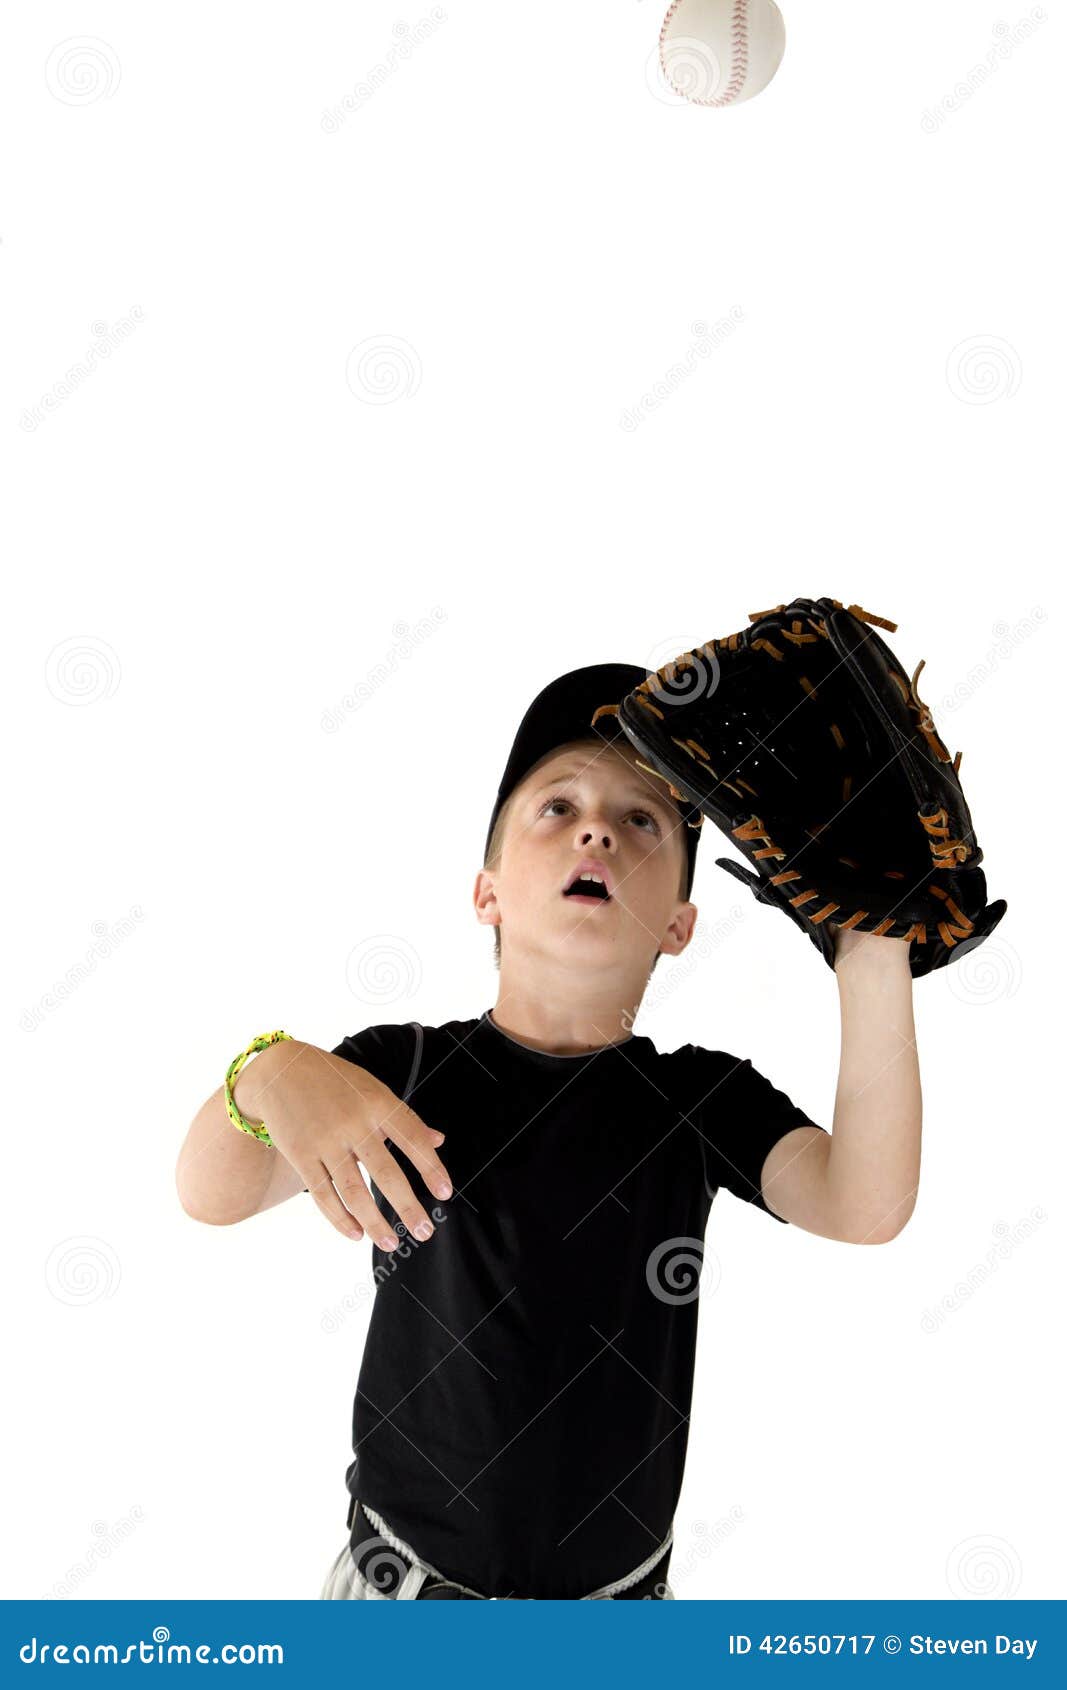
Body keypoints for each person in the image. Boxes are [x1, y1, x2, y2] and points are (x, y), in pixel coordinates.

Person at [176, 663, 922, 1600]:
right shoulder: (395, 1071)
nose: (597, 828)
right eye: (556, 806)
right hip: (399, 1601)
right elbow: (211, 1193)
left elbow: (866, 1203)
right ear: (487, 893)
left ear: (679, 924)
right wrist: (269, 1072)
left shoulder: (699, 1100)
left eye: (643, 820)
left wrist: (872, 943)